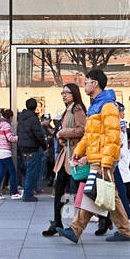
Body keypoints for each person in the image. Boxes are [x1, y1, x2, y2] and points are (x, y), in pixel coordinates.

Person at [59, 68, 130, 245]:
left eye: (86, 82)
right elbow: (90, 134)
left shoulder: (107, 105)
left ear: (95, 84)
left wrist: (106, 161)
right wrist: (80, 151)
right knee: (107, 194)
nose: (84, 85)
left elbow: (112, 135)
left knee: (94, 192)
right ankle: (124, 230)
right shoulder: (96, 105)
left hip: (102, 159)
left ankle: (75, 230)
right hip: (98, 158)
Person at [44, 84, 87, 236]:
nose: (64, 95)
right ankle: (57, 222)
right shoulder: (67, 110)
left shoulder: (78, 109)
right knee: (59, 187)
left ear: (74, 94)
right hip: (66, 154)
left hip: (76, 154)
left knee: (82, 190)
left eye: (67, 92)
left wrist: (63, 132)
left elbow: (82, 130)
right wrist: (61, 136)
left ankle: (103, 218)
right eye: (62, 92)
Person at [16, 98, 47, 202]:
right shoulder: (33, 118)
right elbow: (39, 134)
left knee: (27, 170)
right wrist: (44, 147)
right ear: (35, 107)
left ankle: (27, 192)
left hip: (23, 147)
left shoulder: (21, 117)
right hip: (32, 148)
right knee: (31, 171)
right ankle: (28, 194)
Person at [0, 109, 18, 199]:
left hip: (0, 151)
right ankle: (14, 193)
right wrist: (19, 138)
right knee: (13, 172)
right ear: (10, 117)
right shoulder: (6, 125)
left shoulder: (0, 125)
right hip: (5, 151)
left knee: (1, 173)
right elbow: (10, 138)